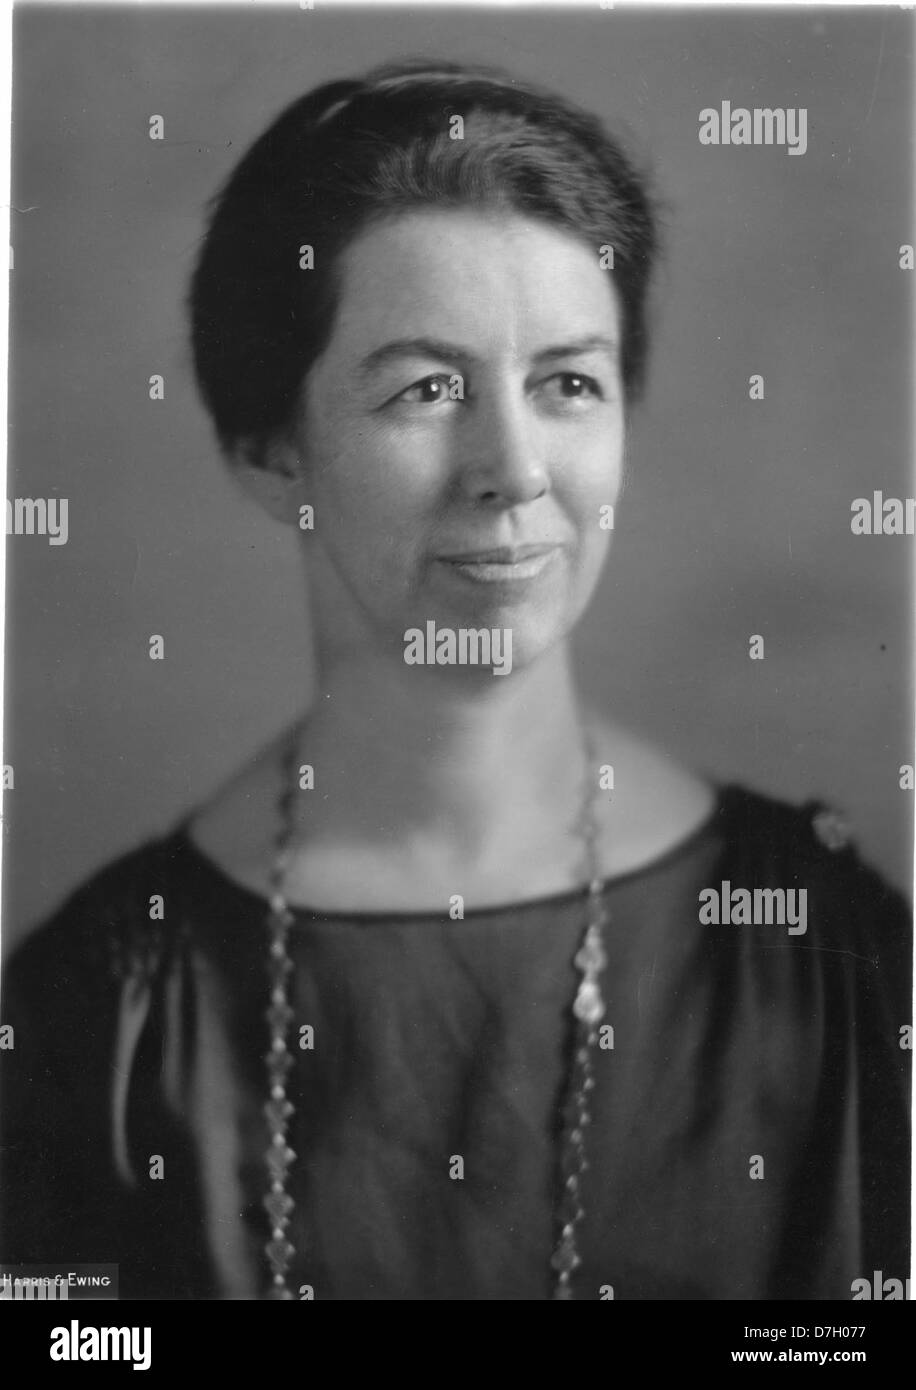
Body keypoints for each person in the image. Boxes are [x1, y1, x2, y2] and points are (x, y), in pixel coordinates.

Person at [0, 60, 910, 1301]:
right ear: (273, 455)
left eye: (567, 383)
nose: (515, 469)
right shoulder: (102, 1012)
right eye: (426, 389)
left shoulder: (820, 954)